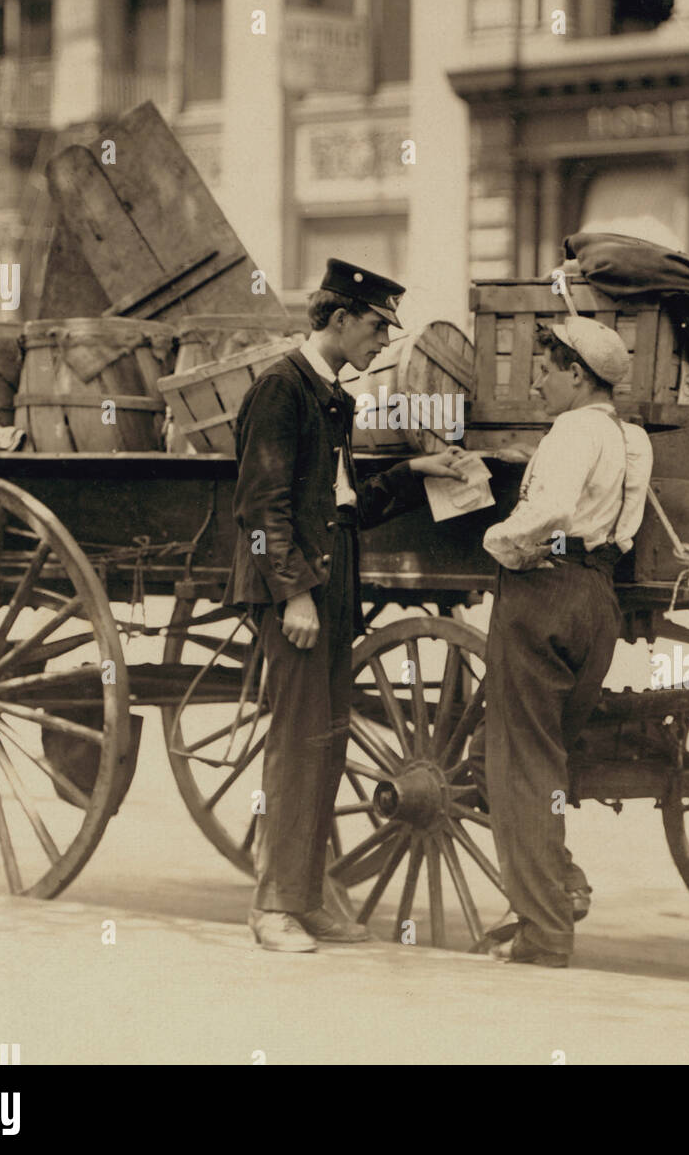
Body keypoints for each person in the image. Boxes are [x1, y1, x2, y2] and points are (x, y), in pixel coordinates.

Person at [227, 258, 468, 952]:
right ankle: (273, 906)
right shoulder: (280, 389)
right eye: (375, 326)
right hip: (296, 587)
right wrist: (294, 594)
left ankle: (307, 896)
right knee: (295, 743)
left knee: (325, 744)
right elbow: (260, 506)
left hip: (332, 579)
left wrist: (415, 471)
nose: (384, 341)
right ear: (338, 319)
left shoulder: (332, 394)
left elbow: (345, 505)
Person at [474, 317, 653, 967]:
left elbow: (548, 514)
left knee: (523, 764)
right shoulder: (631, 439)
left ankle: (545, 934)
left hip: (542, 594)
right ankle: (557, 882)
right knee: (539, 758)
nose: (539, 382)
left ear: (577, 374)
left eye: (546, 370)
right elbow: (625, 530)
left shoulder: (573, 430)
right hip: (595, 601)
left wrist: (497, 541)